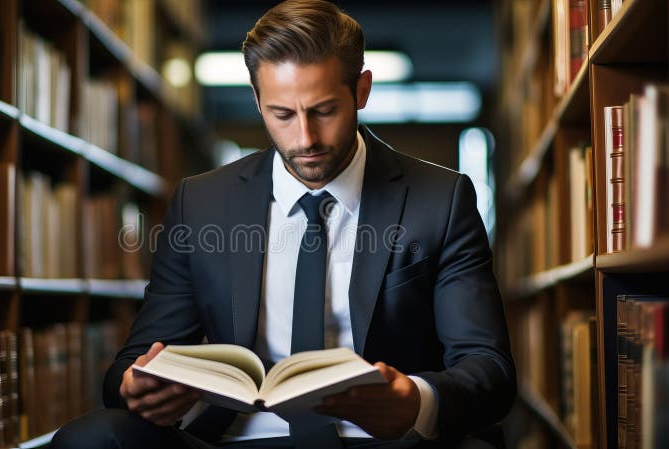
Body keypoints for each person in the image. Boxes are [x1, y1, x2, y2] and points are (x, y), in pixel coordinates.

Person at [52, 0, 515, 448]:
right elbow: (130, 366)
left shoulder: (441, 198)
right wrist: (136, 386)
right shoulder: (202, 202)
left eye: (324, 110)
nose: (305, 138)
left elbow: (488, 368)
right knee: (91, 438)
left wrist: (415, 401)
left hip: (384, 441)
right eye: (282, 115)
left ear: (362, 90)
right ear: (257, 100)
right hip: (239, 438)